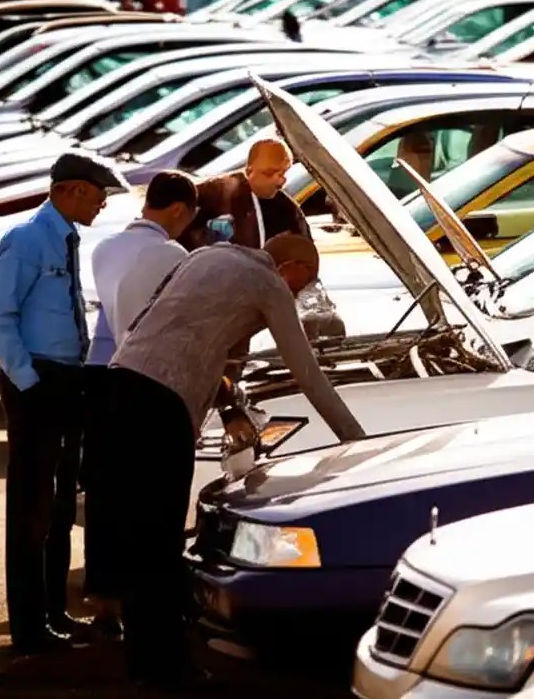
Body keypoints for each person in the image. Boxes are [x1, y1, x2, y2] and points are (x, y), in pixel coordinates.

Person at [107, 234, 366, 688]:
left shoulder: (206, 256)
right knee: (163, 535)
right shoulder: (267, 283)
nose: (301, 295)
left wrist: (229, 409)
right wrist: (358, 443)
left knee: (137, 532)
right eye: (305, 284)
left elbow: (176, 328)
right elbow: (306, 371)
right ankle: (168, 665)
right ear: (294, 268)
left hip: (121, 381)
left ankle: (141, 658)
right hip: (164, 400)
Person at [0, 151, 130, 655]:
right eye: (97, 194)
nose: (103, 204)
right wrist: (28, 380)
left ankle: (51, 610)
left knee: (62, 502)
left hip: (66, 379)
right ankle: (28, 626)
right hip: (37, 382)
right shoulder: (26, 240)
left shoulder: (66, 238)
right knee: (31, 510)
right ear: (69, 190)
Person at [80, 170, 199, 638]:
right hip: (147, 378)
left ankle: (104, 602)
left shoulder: (106, 247)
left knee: (106, 494)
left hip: (99, 370)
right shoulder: (173, 254)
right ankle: (144, 604)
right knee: (149, 496)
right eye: (188, 218)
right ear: (177, 211)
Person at [195, 137, 309, 250]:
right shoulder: (215, 191)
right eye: (269, 173)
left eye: (283, 173)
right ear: (249, 171)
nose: (280, 181)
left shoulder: (287, 211)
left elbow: (303, 253)